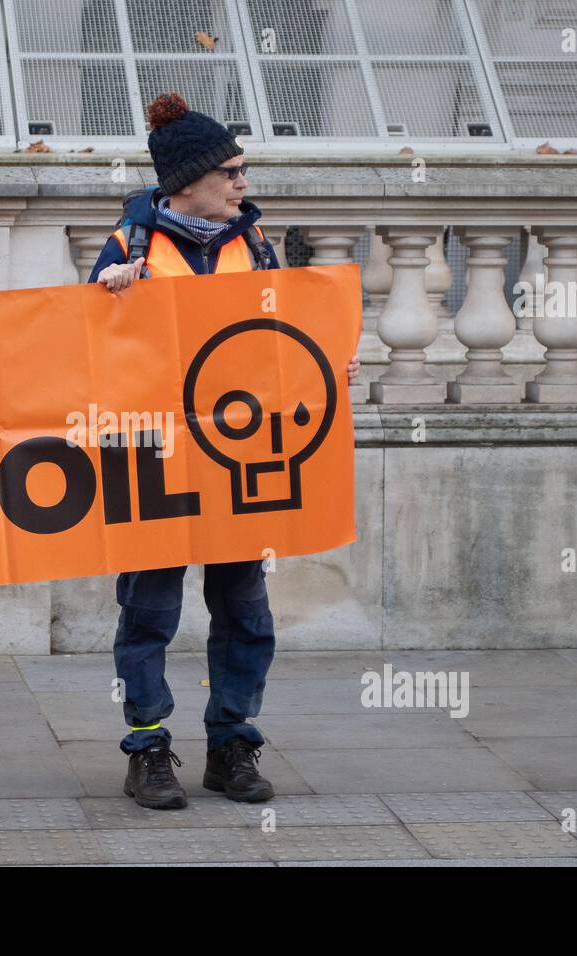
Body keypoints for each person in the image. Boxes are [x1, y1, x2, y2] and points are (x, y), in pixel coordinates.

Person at [89, 93, 360, 810]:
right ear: (187, 181)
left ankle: (231, 745)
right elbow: (78, 349)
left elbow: (281, 344)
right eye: (232, 173)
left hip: (240, 458)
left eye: (242, 171)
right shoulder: (131, 246)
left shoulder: (255, 244)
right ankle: (147, 747)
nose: (243, 184)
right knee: (148, 609)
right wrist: (108, 298)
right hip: (153, 459)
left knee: (245, 608)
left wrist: (326, 366)